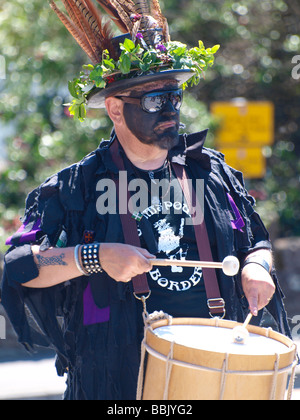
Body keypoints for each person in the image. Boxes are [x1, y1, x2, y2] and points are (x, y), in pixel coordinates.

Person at [0, 0, 291, 400]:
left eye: (174, 97)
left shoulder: (211, 171)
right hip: (116, 382)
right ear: (116, 110)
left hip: (215, 373)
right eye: (155, 102)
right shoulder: (77, 186)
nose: (170, 111)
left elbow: (254, 242)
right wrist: (94, 256)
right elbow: (19, 267)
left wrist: (257, 266)